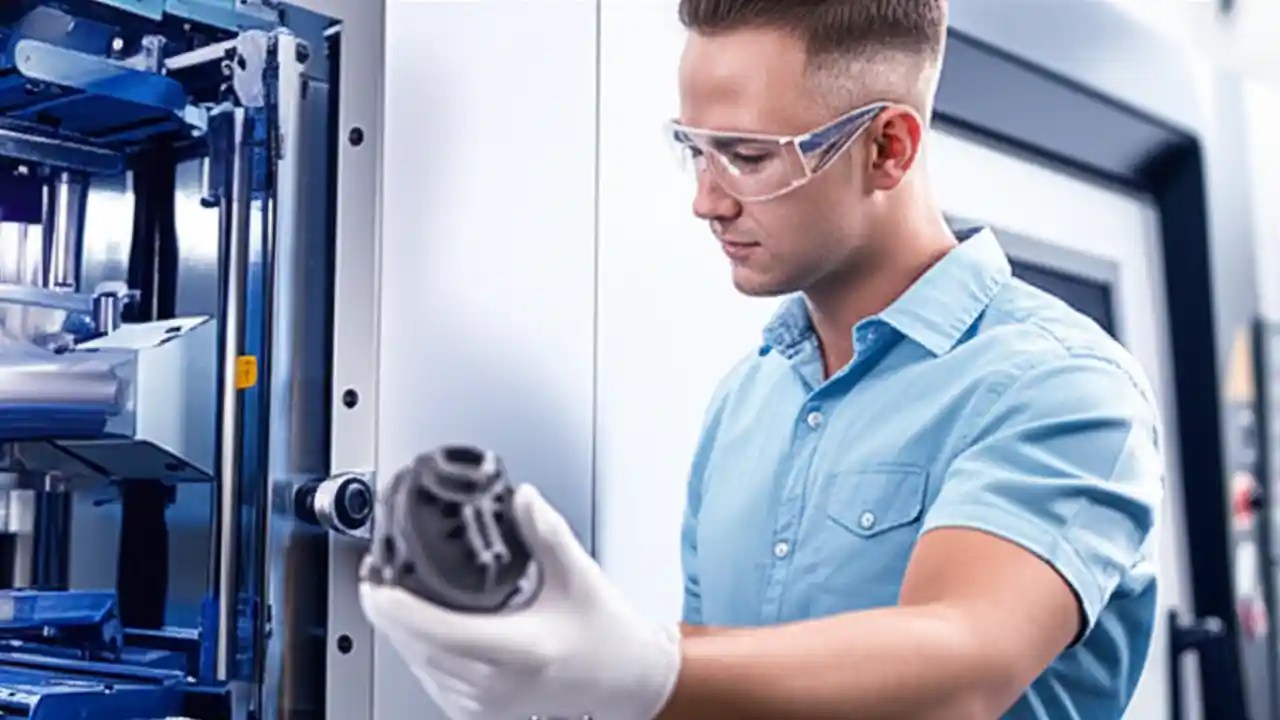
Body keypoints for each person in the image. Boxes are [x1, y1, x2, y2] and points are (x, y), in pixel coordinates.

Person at [359, 0, 1165, 718]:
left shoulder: (1061, 385)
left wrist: (641, 666)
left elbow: (960, 667)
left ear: (887, 148)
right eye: (696, 151)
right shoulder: (749, 399)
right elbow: (726, 692)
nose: (706, 200)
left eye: (747, 157)